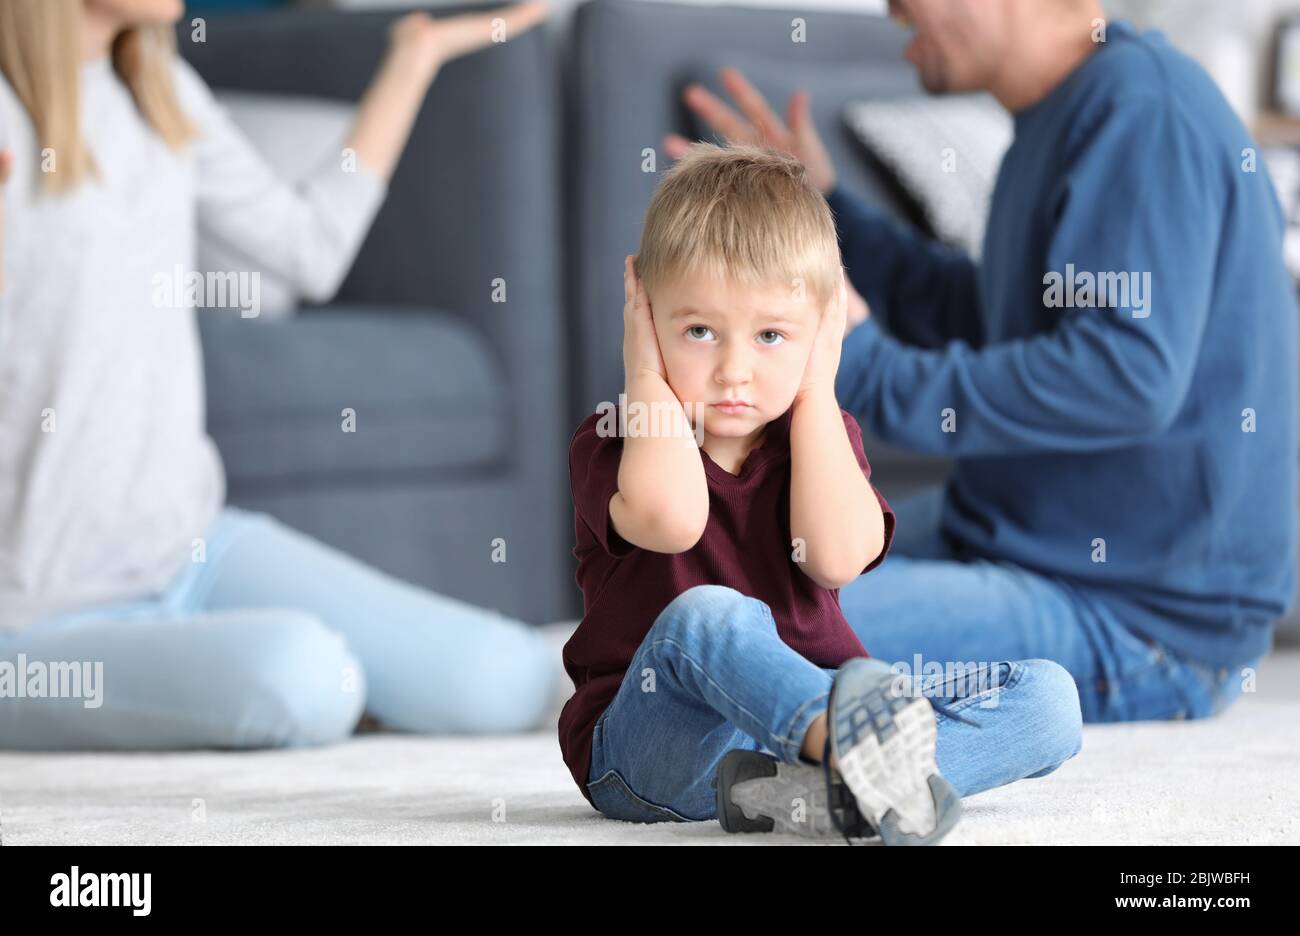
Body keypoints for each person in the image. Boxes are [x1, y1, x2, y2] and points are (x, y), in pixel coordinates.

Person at [667, 0, 1297, 724]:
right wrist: (829, 210)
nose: (893, 6)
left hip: (1140, 617)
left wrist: (858, 362)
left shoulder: (1142, 109)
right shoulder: (1066, 112)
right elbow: (995, 315)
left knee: (741, 622)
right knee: (720, 573)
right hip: (1013, 537)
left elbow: (1126, 375)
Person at [0, 0, 559, 749]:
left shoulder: (160, 91)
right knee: (305, 679)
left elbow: (311, 249)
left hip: (188, 551)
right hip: (32, 611)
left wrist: (410, 60)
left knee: (505, 680)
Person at [560, 143, 1082, 844]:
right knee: (708, 616)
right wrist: (645, 374)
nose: (734, 372)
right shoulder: (620, 436)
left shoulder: (821, 437)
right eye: (699, 331)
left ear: (822, 326)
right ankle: (854, 760)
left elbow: (836, 558)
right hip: (654, 751)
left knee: (1048, 698)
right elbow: (673, 520)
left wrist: (817, 390)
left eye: (772, 335)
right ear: (646, 312)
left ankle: (809, 796)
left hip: (773, 752)